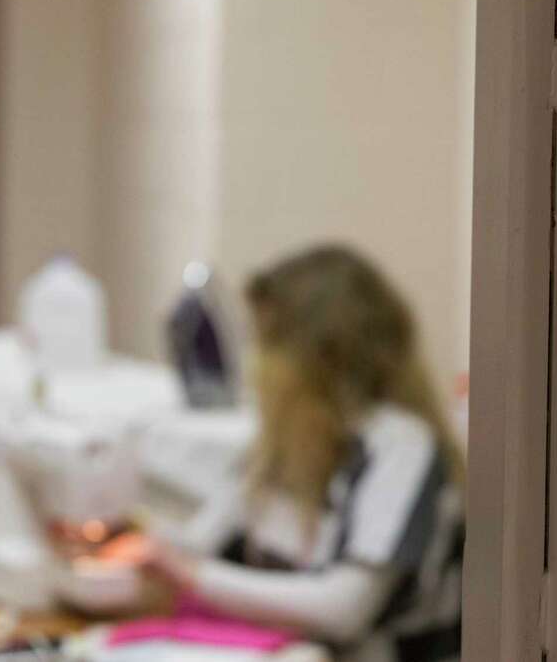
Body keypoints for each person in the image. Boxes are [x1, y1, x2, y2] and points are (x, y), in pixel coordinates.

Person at [146, 245, 465, 662]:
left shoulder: (400, 446)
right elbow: (198, 544)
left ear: (320, 358)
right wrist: (135, 543)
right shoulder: (285, 445)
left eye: (267, 344)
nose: (253, 365)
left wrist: (191, 574)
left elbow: (345, 609)